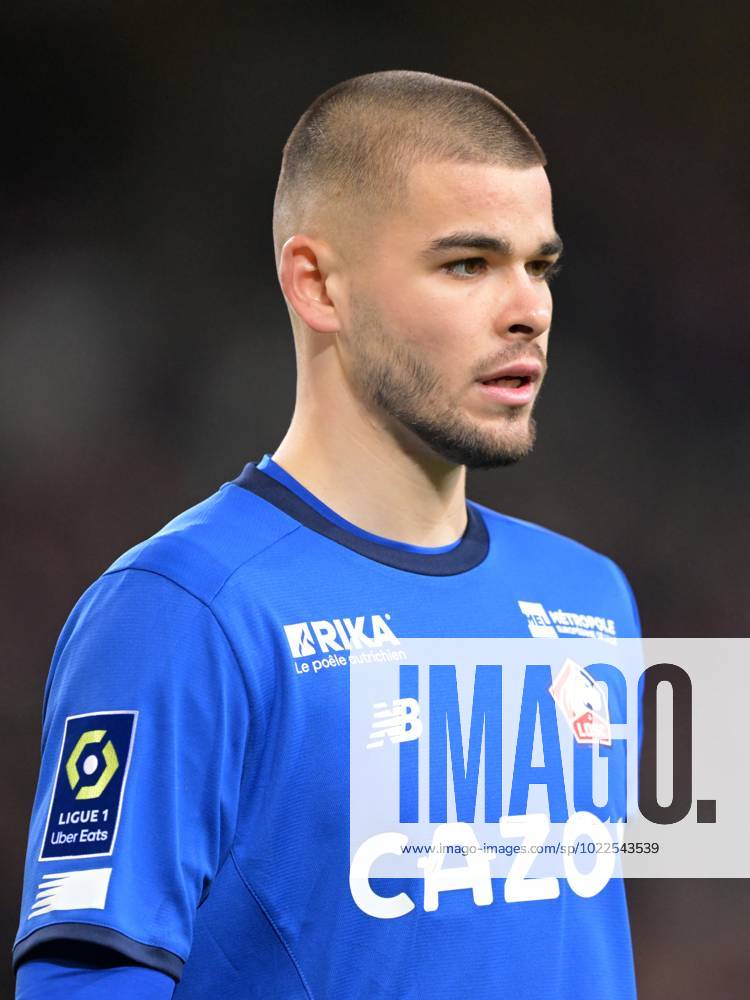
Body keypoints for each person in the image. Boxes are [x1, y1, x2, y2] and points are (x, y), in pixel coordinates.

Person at [14, 70, 640, 998]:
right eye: (467, 263)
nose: (529, 310)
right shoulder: (178, 615)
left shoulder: (596, 600)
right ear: (317, 284)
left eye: (538, 265)